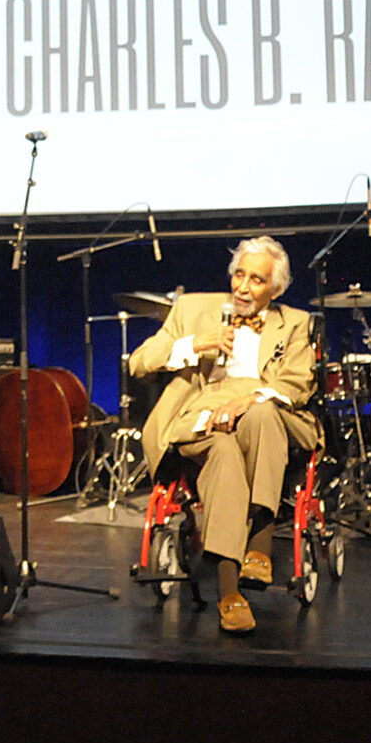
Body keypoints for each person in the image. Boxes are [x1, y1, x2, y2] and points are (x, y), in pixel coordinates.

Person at [128, 236, 318, 635]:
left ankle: (259, 549)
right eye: (239, 275)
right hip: (200, 412)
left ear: (276, 289)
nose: (243, 287)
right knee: (225, 454)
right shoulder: (193, 308)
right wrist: (198, 343)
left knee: (262, 414)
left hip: (262, 408)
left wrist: (247, 400)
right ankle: (230, 591)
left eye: (257, 280)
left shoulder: (296, 323)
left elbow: (297, 384)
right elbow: (140, 361)